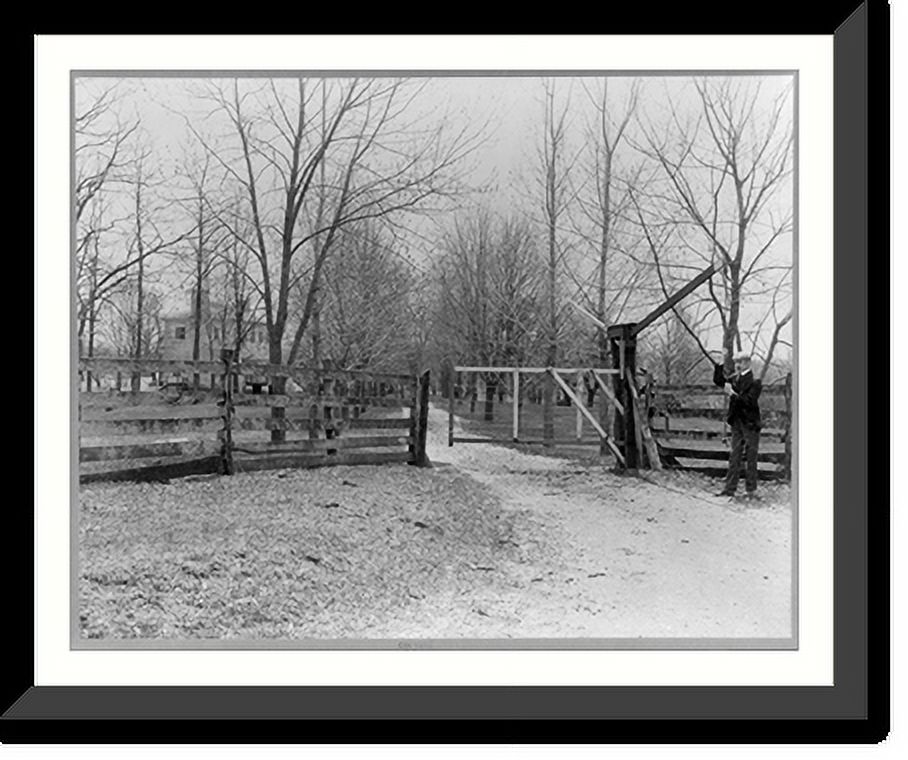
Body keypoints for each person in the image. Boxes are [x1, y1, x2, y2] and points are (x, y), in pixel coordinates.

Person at [713, 350, 762, 499]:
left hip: (750, 423)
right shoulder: (735, 378)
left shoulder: (755, 381)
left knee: (751, 456)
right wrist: (720, 364)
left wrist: (733, 394)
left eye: (740, 362)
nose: (737, 365)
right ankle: (729, 489)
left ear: (747, 362)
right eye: (736, 362)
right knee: (735, 456)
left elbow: (749, 401)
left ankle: (751, 491)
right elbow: (718, 381)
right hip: (737, 422)